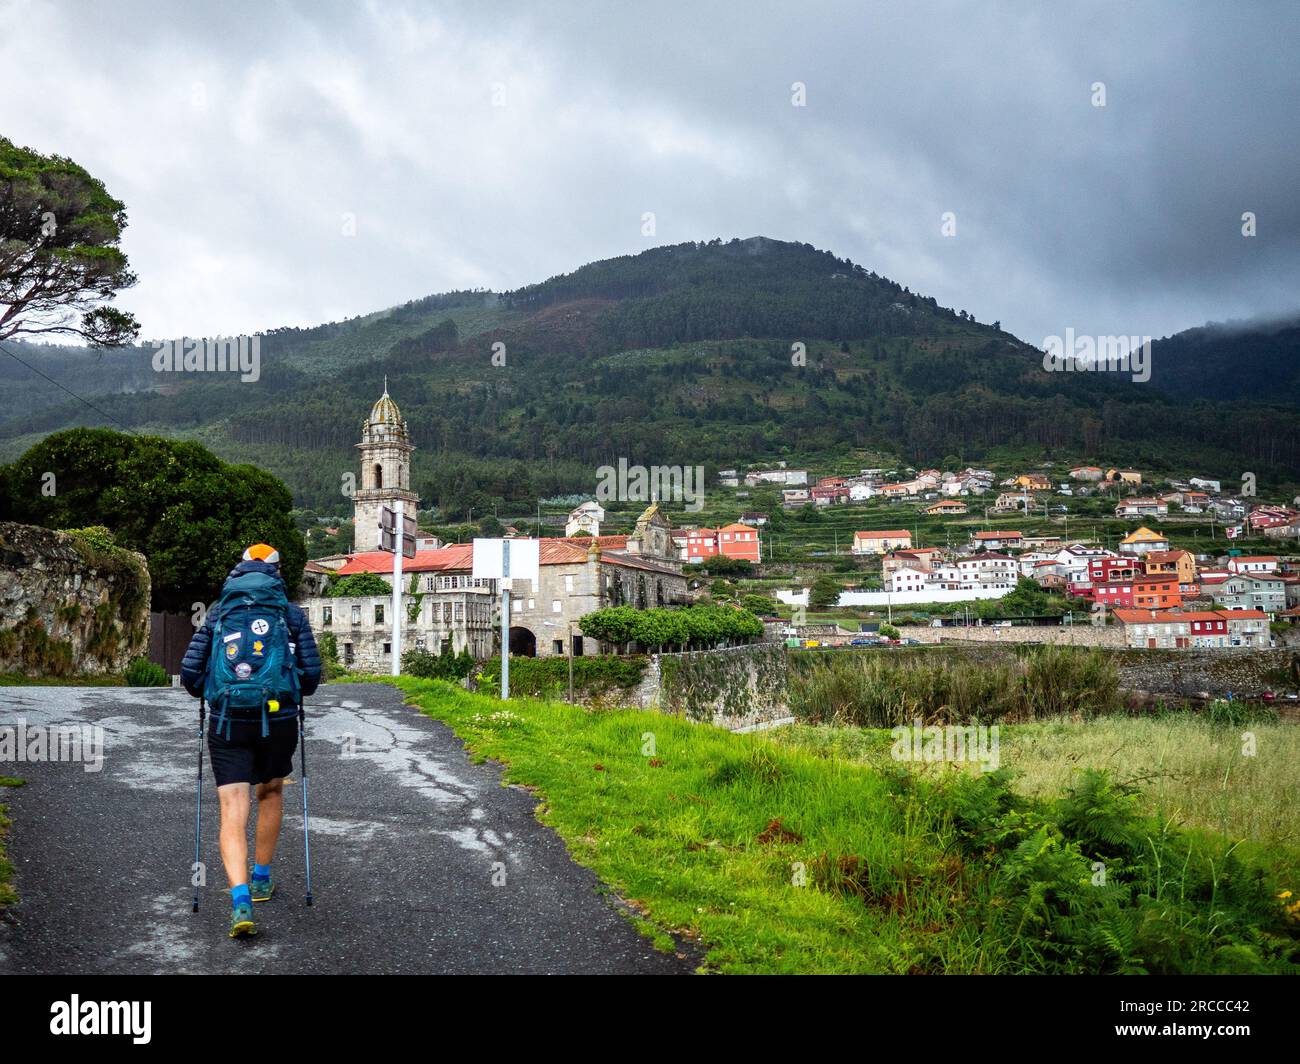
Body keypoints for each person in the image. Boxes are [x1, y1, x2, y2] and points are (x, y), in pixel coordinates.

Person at [181, 543, 321, 938]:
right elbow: (310, 678)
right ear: (278, 573)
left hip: (228, 721)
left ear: (237, 571)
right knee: (271, 791)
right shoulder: (291, 615)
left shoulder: (219, 612)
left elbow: (190, 675)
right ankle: (262, 879)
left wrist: (215, 690)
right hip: (278, 719)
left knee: (232, 806)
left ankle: (239, 899)